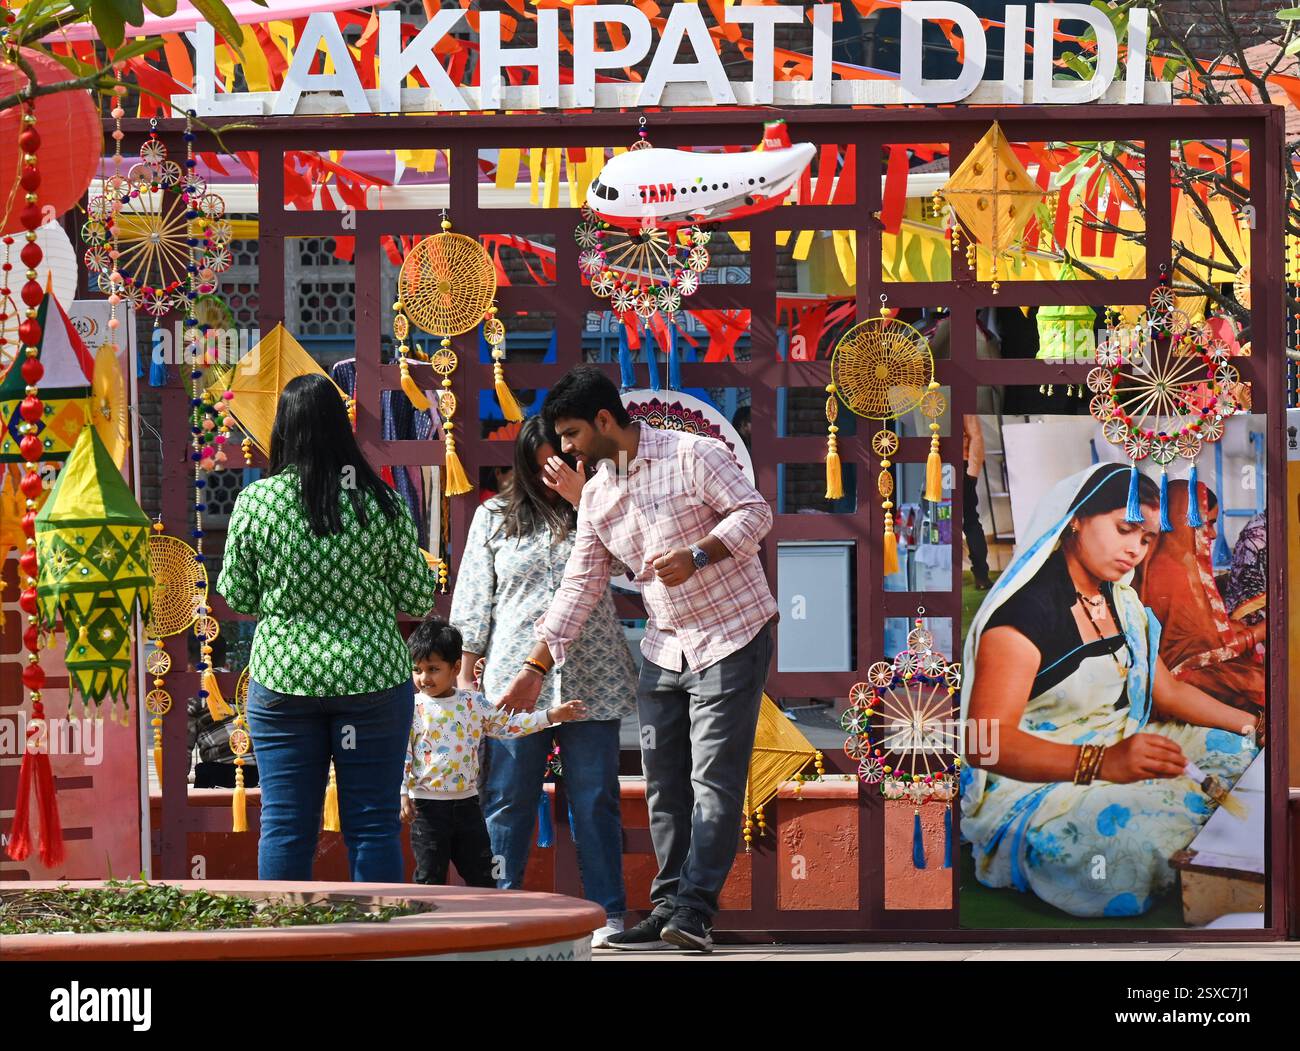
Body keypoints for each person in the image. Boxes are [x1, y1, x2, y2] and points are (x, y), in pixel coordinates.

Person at [498, 366, 777, 953]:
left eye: (572, 434)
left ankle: (695, 913)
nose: (567, 449)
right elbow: (579, 585)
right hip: (664, 643)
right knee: (662, 786)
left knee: (712, 783)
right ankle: (668, 906)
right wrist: (534, 668)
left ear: (605, 421)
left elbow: (755, 514)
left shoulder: (693, 454)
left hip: (731, 634)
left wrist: (699, 554)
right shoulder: (596, 494)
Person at [961, 463, 1260, 919]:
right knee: (1126, 855)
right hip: (1041, 777)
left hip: (1118, 741)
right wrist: (1101, 763)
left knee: (1241, 753)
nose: (1135, 550)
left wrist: (1255, 725)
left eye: (1146, 540)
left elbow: (1169, 693)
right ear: (1076, 518)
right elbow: (984, 744)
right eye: (1125, 530)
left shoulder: (1119, 600)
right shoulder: (1022, 617)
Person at [216, 373, 439, 882]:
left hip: (283, 680)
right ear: (341, 428)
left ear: (284, 431)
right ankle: (377, 945)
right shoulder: (381, 502)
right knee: (373, 826)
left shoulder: (258, 502)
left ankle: (283, 946)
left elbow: (240, 595)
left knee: (286, 824)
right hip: (372, 680)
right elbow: (416, 597)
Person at [451, 416, 637, 945]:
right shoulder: (494, 517)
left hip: (591, 675)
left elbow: (631, 565)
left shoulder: (604, 504)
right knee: (508, 794)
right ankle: (501, 908)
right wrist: (467, 673)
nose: (553, 476)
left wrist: (587, 500)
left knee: (594, 797)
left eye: (563, 462)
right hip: (514, 678)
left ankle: (607, 912)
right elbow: (472, 598)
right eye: (543, 468)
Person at [401, 617, 586, 886]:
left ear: (455, 668)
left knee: (483, 874)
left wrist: (549, 715)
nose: (424, 678)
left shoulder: (473, 704)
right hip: (427, 808)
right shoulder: (412, 707)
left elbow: (507, 726)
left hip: (467, 804)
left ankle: (489, 924)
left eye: (432, 669)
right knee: (430, 875)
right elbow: (403, 753)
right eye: (417, 669)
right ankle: (429, 927)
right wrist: (402, 793)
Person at [1137, 480, 1265, 715]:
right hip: (1176, 678)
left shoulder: (1168, 561)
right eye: (1209, 524)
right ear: (1184, 521)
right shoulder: (1174, 573)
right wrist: (1258, 632)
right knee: (1263, 685)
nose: (1214, 534)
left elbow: (1199, 638)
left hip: (1174, 670)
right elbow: (1199, 654)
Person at [962, 414, 992, 589]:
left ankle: (981, 575)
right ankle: (981, 576)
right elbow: (976, 435)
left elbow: (976, 436)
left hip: (960, 465)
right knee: (969, 521)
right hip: (935, 464)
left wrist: (972, 473)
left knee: (970, 521)